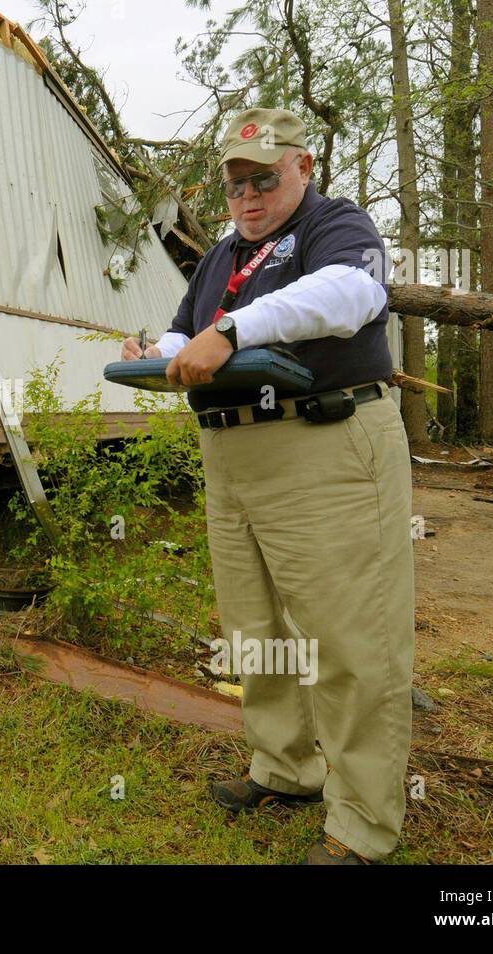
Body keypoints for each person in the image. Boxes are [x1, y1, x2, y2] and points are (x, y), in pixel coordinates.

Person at [121, 107, 414, 865]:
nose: (249, 197)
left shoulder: (336, 226)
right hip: (234, 456)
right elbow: (190, 331)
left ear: (304, 169)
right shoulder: (223, 256)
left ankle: (364, 822)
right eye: (236, 184)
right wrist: (159, 351)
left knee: (350, 637)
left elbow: (353, 296)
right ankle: (287, 765)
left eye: (265, 179)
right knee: (257, 630)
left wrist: (235, 332)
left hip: (326, 446)